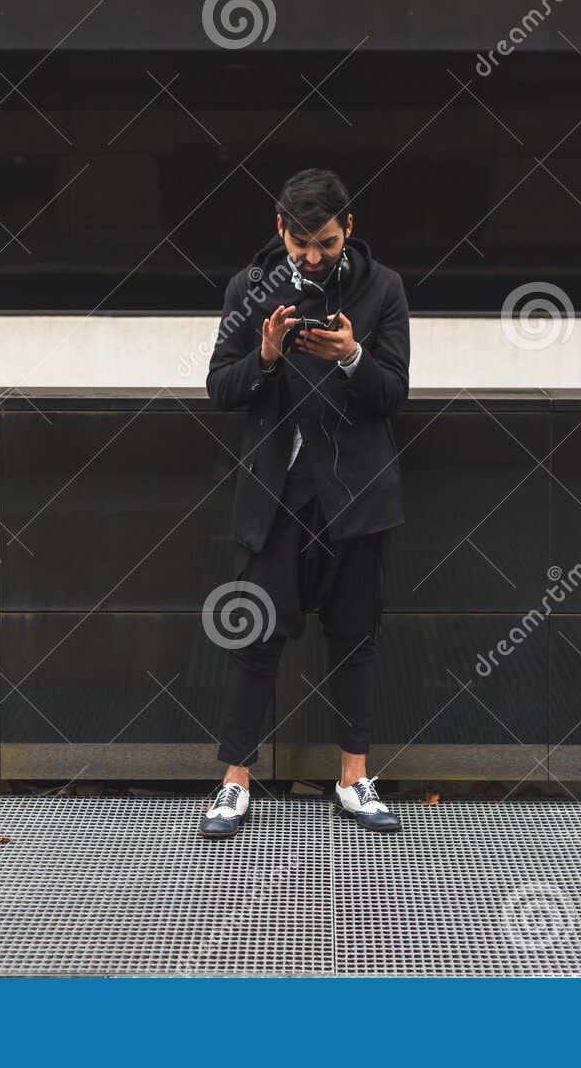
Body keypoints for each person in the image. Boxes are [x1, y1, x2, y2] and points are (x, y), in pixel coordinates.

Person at [201, 167, 410, 838]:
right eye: (300, 244)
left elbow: (393, 394)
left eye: (323, 241)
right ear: (280, 229)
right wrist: (263, 355)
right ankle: (234, 778)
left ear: (348, 226)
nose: (313, 256)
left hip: (355, 494)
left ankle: (354, 776)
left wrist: (352, 356)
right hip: (275, 492)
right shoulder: (247, 289)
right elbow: (220, 387)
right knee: (254, 636)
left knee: (355, 637)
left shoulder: (383, 289)